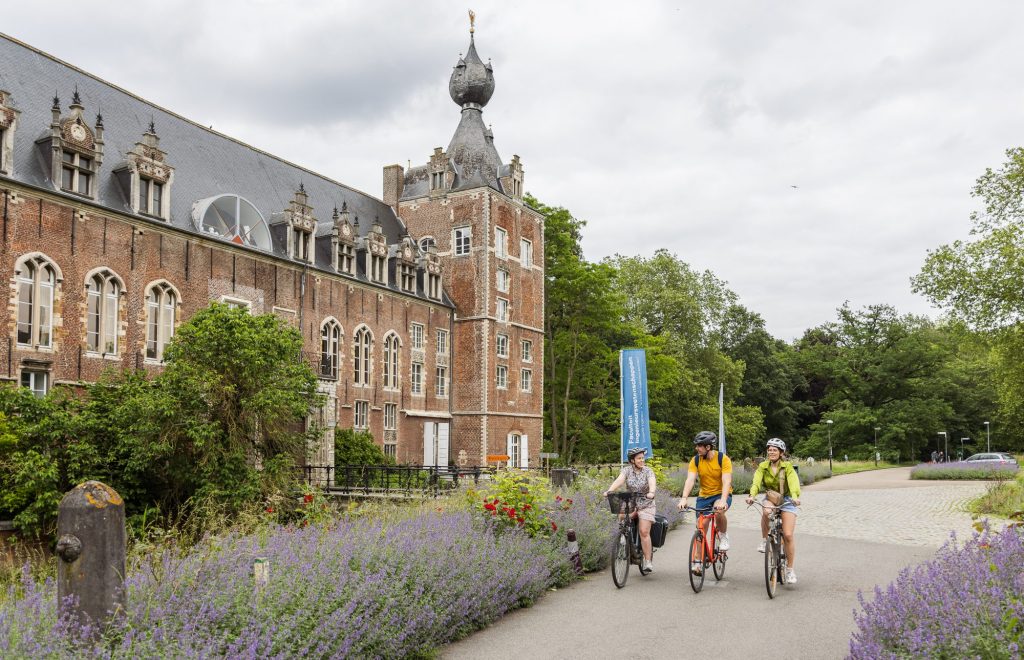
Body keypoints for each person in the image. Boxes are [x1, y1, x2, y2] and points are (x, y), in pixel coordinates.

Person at [746, 438, 802, 585]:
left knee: (788, 535)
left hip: (788, 500)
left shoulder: (787, 467)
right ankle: (765, 540)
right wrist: (752, 495)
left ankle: (790, 570)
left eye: (774, 450)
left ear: (781, 453)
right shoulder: (763, 467)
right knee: (766, 511)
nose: (771, 452)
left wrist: (795, 497)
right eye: (769, 449)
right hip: (771, 497)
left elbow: (793, 482)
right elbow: (756, 482)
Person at [677, 431, 733, 575]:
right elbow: (690, 479)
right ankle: (698, 562)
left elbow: (727, 481)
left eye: (700, 446)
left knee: (718, 510)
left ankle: (723, 535)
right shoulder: (695, 460)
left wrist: (723, 499)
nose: (697, 448)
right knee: (701, 527)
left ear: (708, 447)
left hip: (721, 494)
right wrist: (684, 498)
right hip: (704, 496)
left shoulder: (723, 459)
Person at [603, 447, 657, 573]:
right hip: (632, 501)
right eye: (639, 458)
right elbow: (620, 480)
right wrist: (610, 490)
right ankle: (623, 535)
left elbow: (652, 482)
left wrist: (651, 492)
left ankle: (648, 561)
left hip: (646, 503)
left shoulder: (648, 471)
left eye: (643, 458)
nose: (642, 460)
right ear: (632, 460)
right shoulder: (626, 470)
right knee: (622, 515)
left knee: (643, 531)